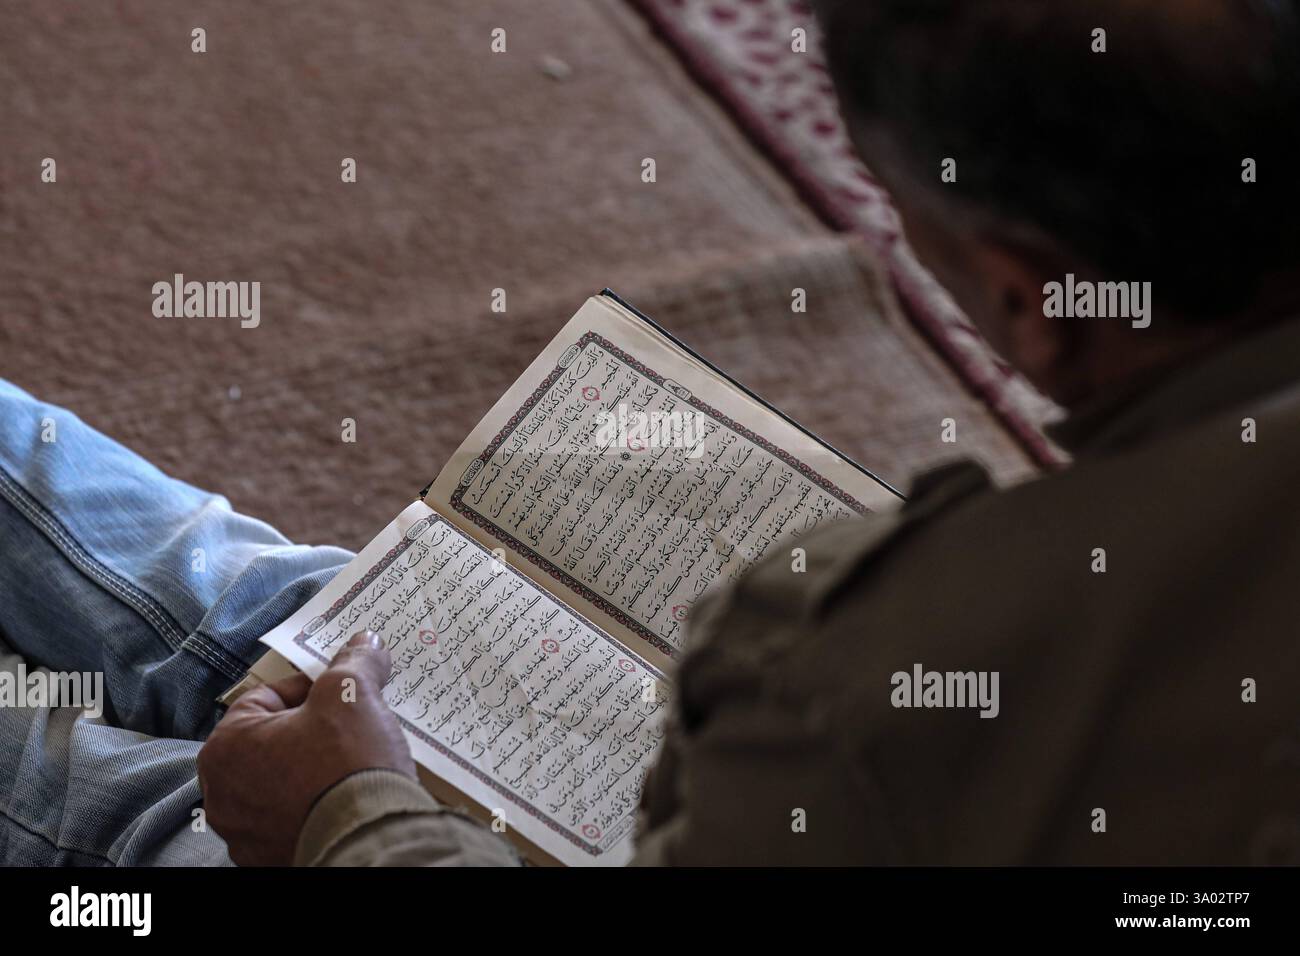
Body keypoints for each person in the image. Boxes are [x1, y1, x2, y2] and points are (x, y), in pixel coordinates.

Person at [3, 0, 1298, 866]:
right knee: (313, 621)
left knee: (135, 797)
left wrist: (347, 818)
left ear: (1032, 303)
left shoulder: (862, 680)